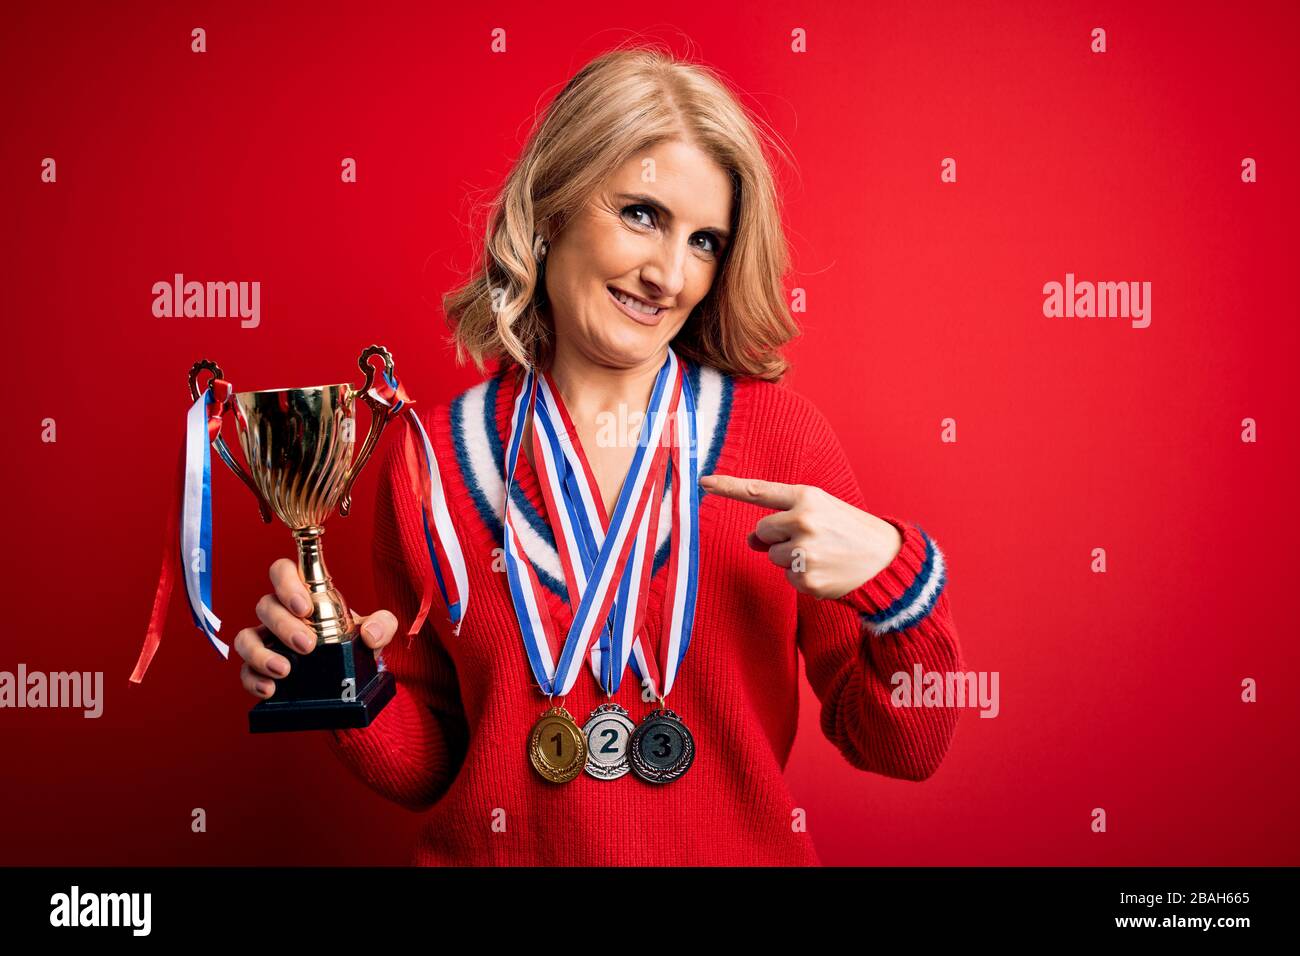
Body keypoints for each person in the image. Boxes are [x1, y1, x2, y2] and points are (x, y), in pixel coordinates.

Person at [233, 44, 963, 866]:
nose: (669, 275)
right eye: (642, 215)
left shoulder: (780, 438)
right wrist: (333, 678)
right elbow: (439, 762)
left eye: (705, 241)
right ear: (551, 209)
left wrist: (897, 585)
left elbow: (903, 748)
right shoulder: (428, 458)